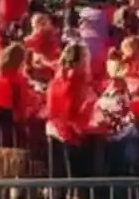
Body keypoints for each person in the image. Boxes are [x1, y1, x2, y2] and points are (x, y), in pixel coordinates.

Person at [46, 42, 96, 179]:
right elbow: (74, 113)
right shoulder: (76, 82)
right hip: (72, 136)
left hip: (56, 131)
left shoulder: (57, 79)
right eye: (86, 57)